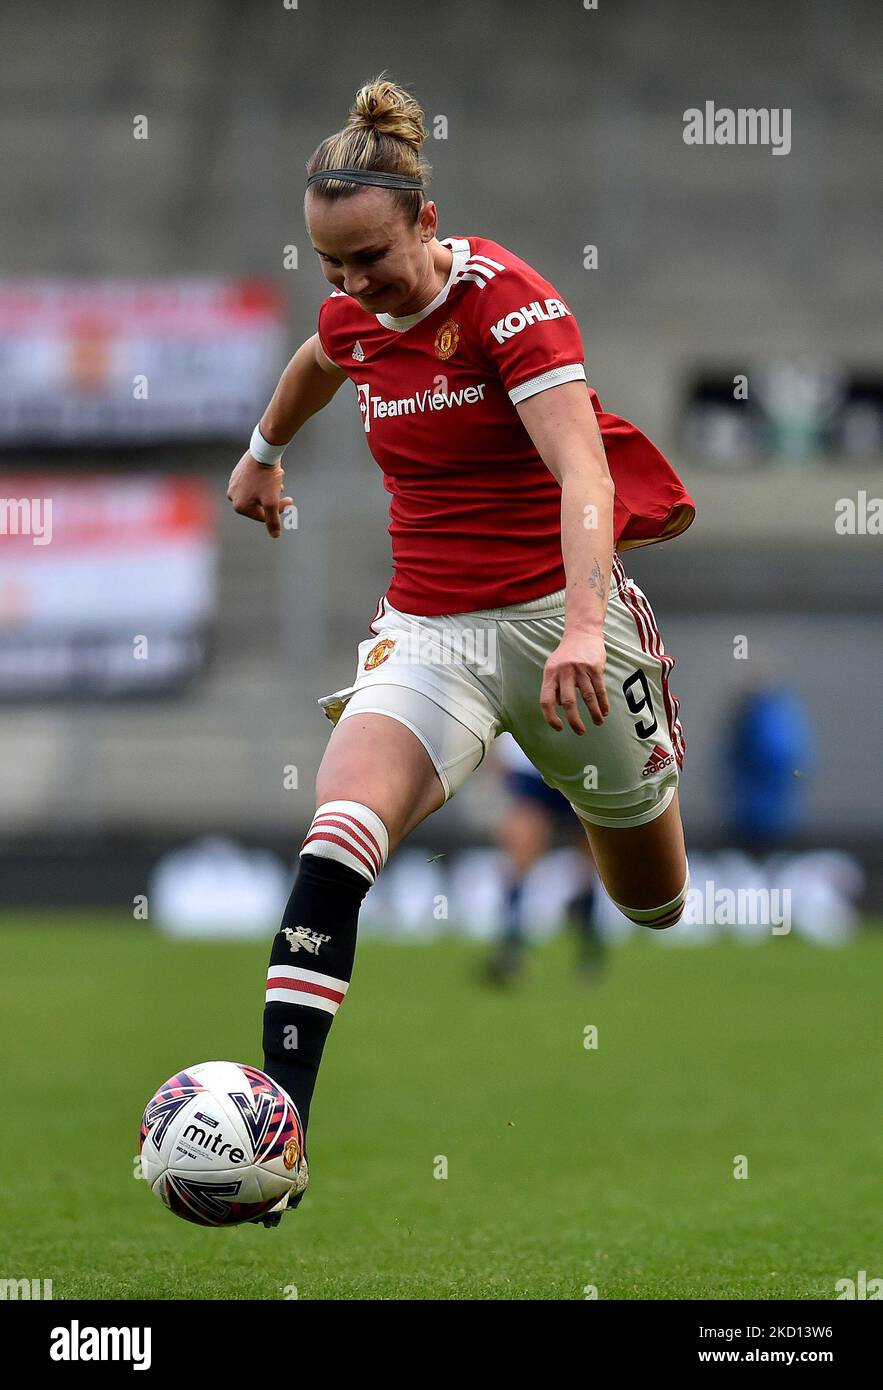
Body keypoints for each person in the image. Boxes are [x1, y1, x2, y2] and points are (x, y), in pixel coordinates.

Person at [226, 76, 696, 1226]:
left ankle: (595, 778)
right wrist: (261, 453)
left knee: (654, 900)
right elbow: (317, 361)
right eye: (329, 265)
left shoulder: (508, 306)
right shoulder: (352, 314)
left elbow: (584, 473)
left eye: (370, 260)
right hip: (428, 634)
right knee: (339, 831)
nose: (351, 286)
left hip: (563, 619)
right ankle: (281, 1133)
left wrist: (582, 626)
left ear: (426, 225)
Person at [486, 733, 602, 985]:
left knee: (590, 854)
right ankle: (512, 947)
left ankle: (589, 946)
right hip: (529, 762)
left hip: (578, 759)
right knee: (522, 849)